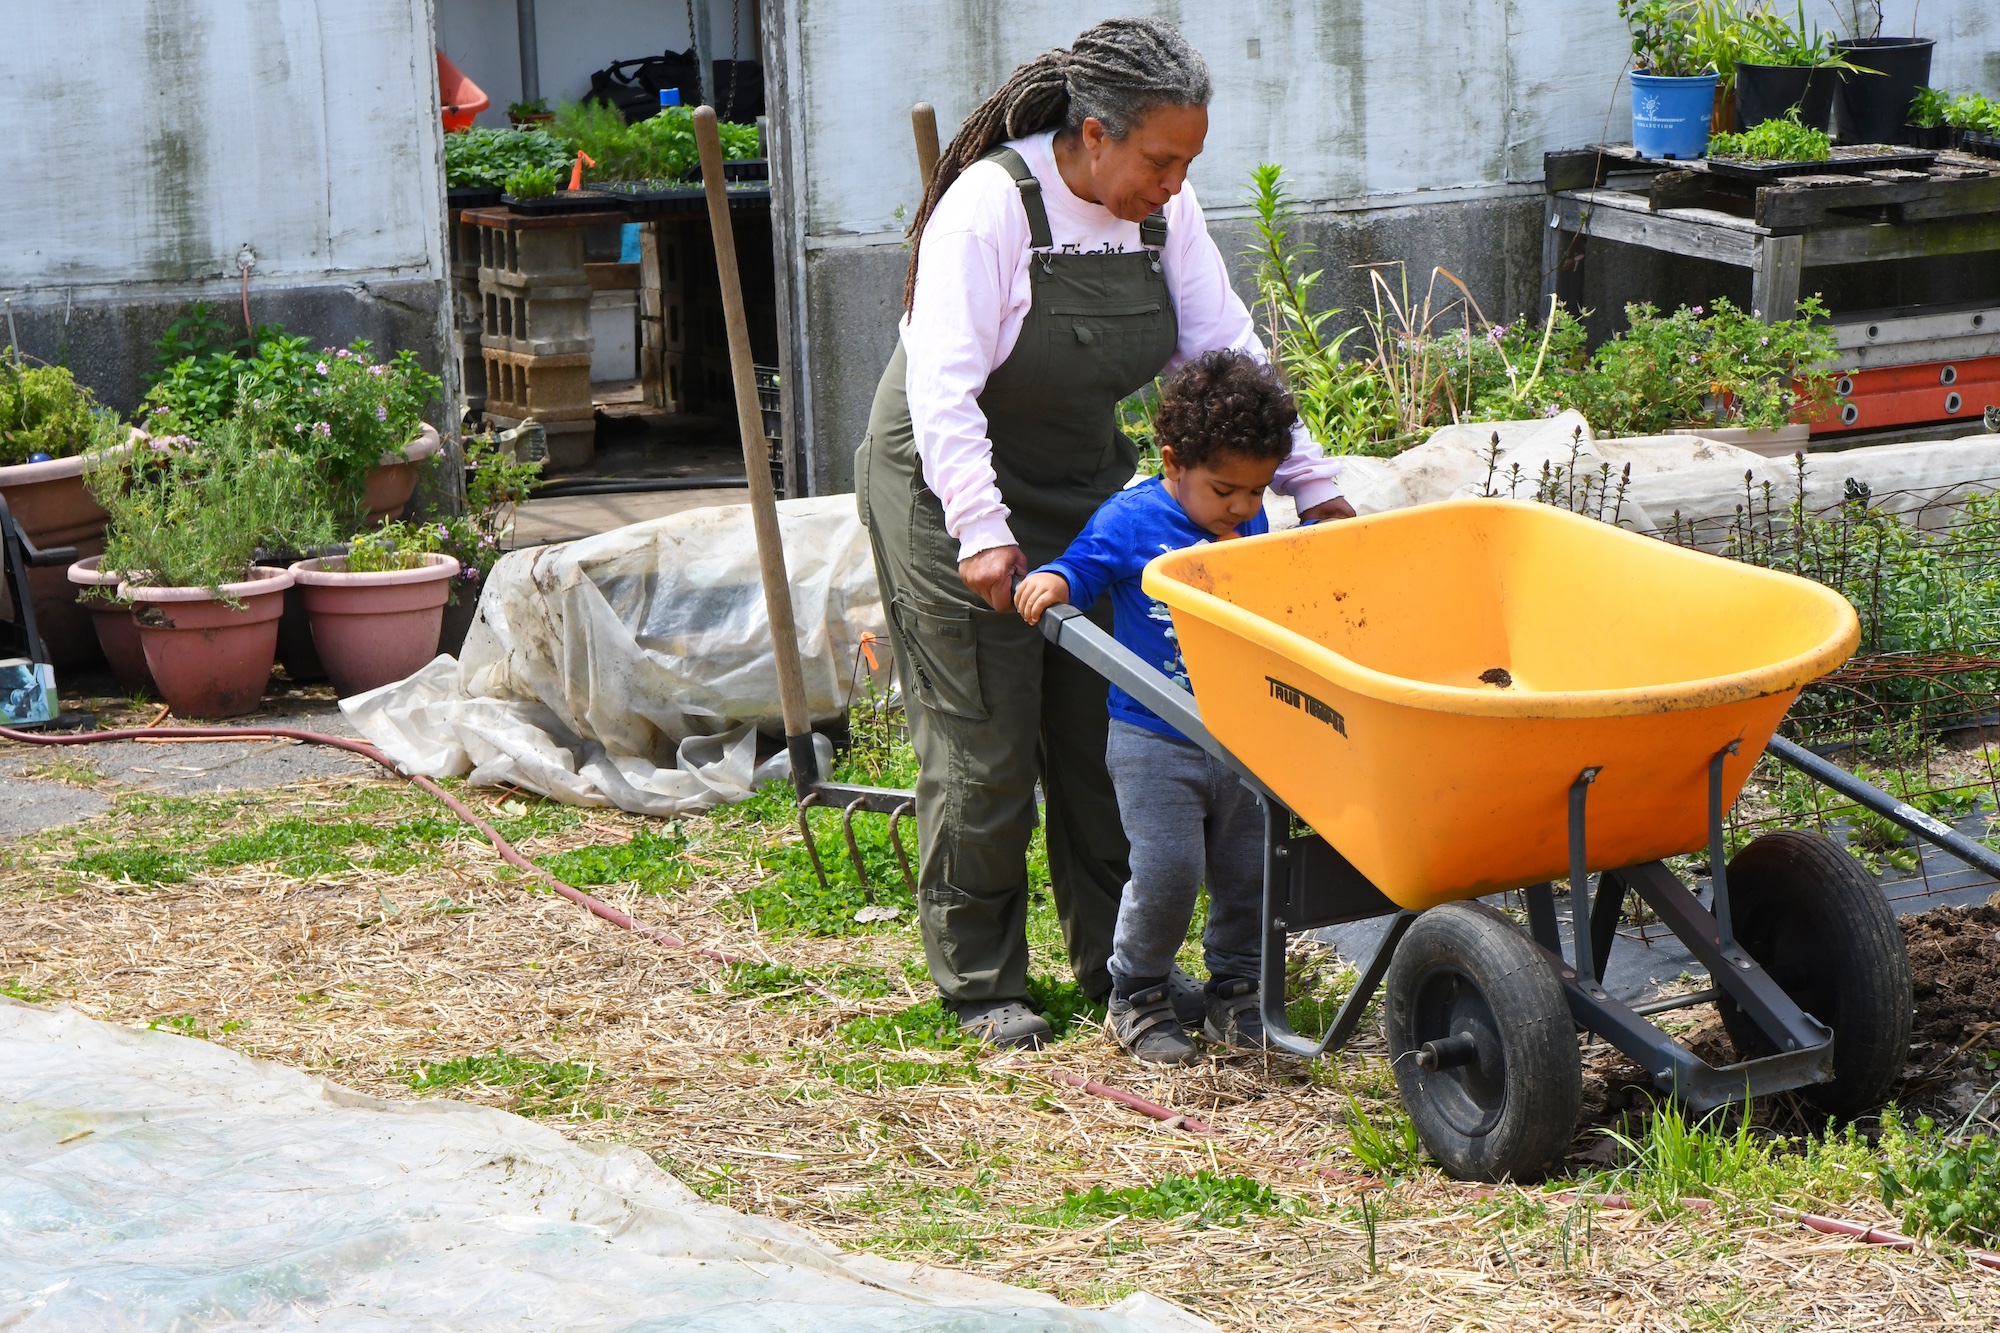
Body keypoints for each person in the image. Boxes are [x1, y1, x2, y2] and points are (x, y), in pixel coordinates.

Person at [855, 17, 1354, 1050]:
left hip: (1082, 487)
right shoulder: (991, 208)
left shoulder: (1166, 216)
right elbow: (944, 394)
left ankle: (1120, 964)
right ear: (1093, 135)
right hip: (942, 488)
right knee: (986, 743)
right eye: (1159, 158)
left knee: (1107, 729)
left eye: (1186, 162)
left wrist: (1315, 487)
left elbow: (1225, 355)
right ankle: (983, 978)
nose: (1173, 180)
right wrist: (985, 536)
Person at [1015, 350, 1292, 1064]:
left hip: (1237, 735)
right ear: (1173, 461)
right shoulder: (1133, 518)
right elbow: (1084, 564)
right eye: (1225, 489)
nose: (1241, 507)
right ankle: (1135, 991)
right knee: (1169, 871)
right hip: (1152, 736)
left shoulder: (1251, 526)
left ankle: (1236, 987)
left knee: (1249, 871)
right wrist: (1053, 578)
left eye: (1257, 491)